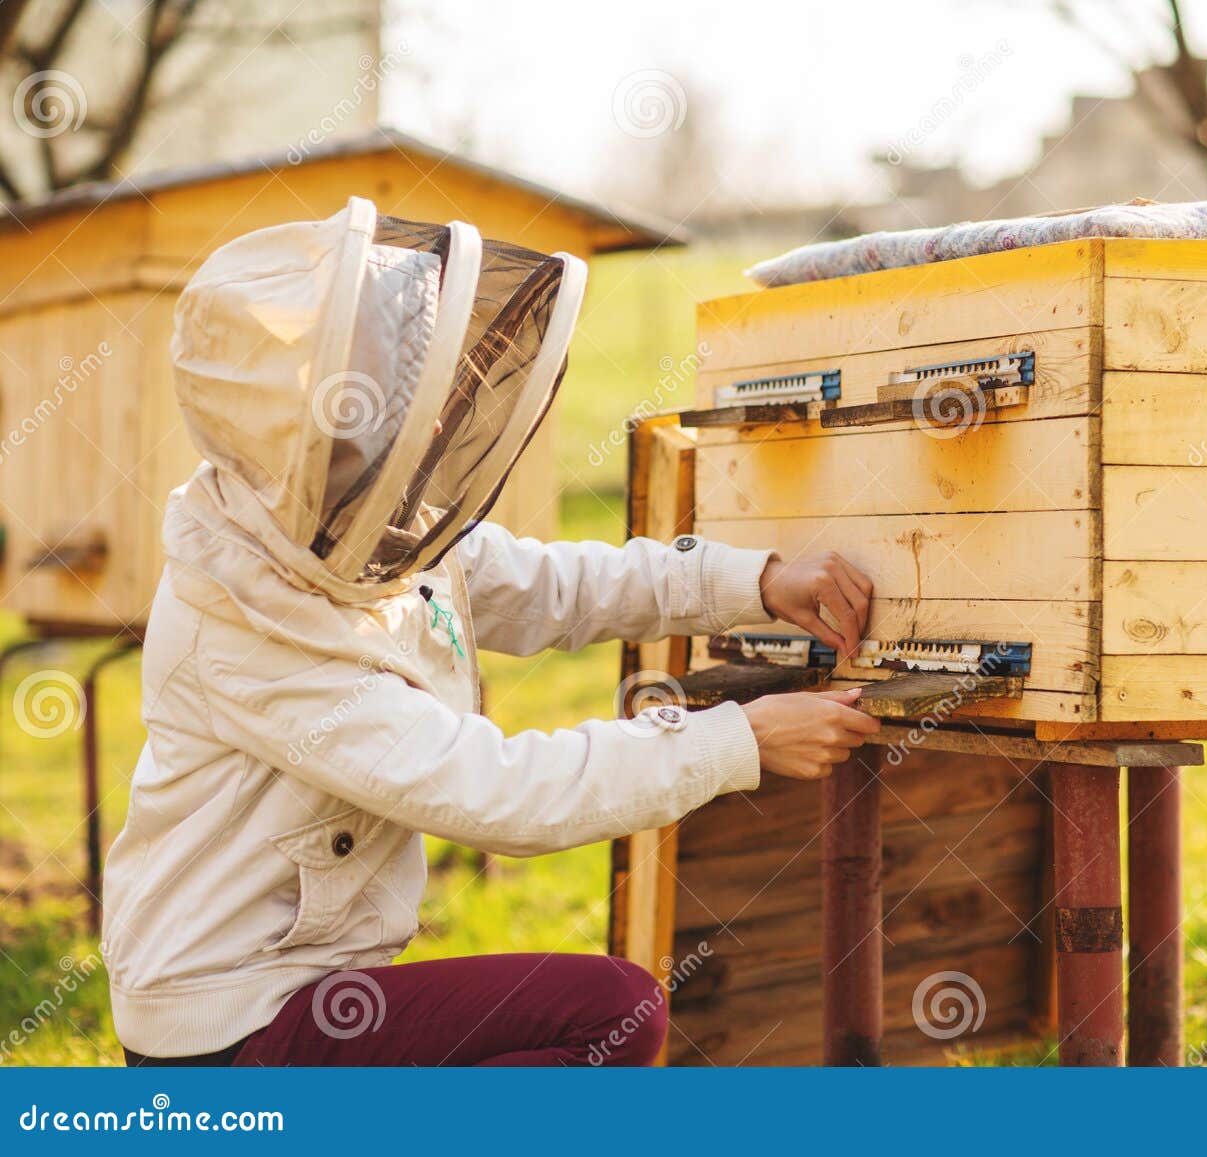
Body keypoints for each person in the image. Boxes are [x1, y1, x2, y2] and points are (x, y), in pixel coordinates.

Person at [103, 199, 878, 1067]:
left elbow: (554, 584)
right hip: (227, 1030)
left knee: (602, 1016)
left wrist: (757, 581)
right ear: (315, 424)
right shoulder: (245, 622)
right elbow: (497, 793)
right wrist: (737, 742)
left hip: (303, 986)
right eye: (396, 401)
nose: (432, 423)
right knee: (610, 1013)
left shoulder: (354, 525)